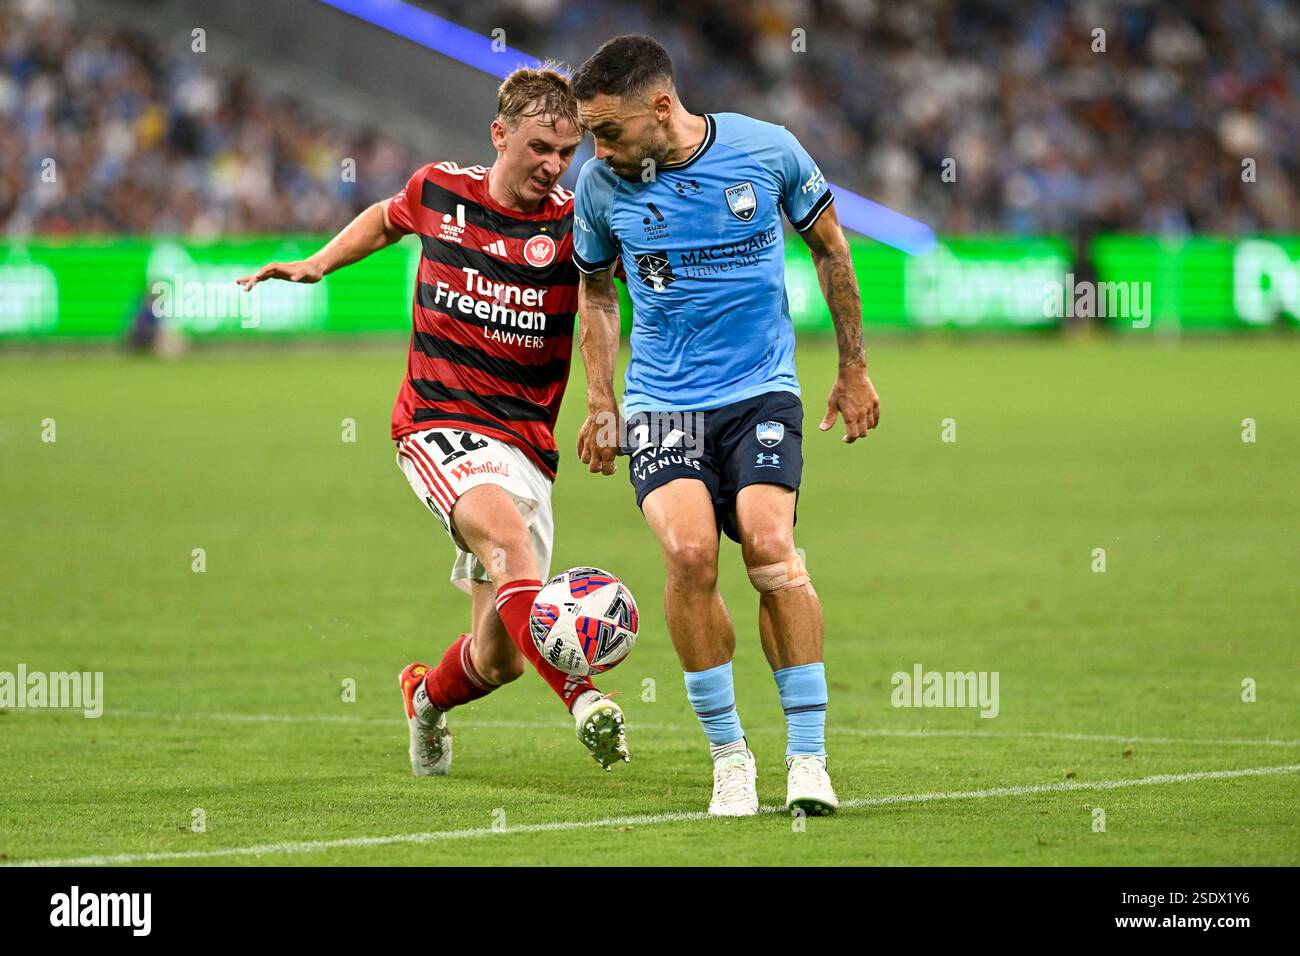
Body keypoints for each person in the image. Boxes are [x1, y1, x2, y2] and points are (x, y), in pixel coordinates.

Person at [236, 66, 630, 776]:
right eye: (540, 146)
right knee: (508, 542)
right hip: (437, 424)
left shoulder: (575, 224)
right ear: (499, 134)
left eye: (566, 152)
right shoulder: (440, 188)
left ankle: (425, 699)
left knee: (501, 656)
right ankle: (584, 700)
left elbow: (629, 293)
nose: (553, 165)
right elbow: (389, 217)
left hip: (527, 445)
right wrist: (319, 263)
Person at [570, 35, 880, 815]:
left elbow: (832, 251)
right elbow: (598, 293)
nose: (597, 147)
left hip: (759, 391)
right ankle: (729, 756)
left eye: (608, 130)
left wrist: (852, 369)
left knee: (772, 550)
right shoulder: (601, 186)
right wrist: (600, 400)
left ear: (661, 108)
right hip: (664, 401)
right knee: (688, 555)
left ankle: (807, 759)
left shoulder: (767, 151)